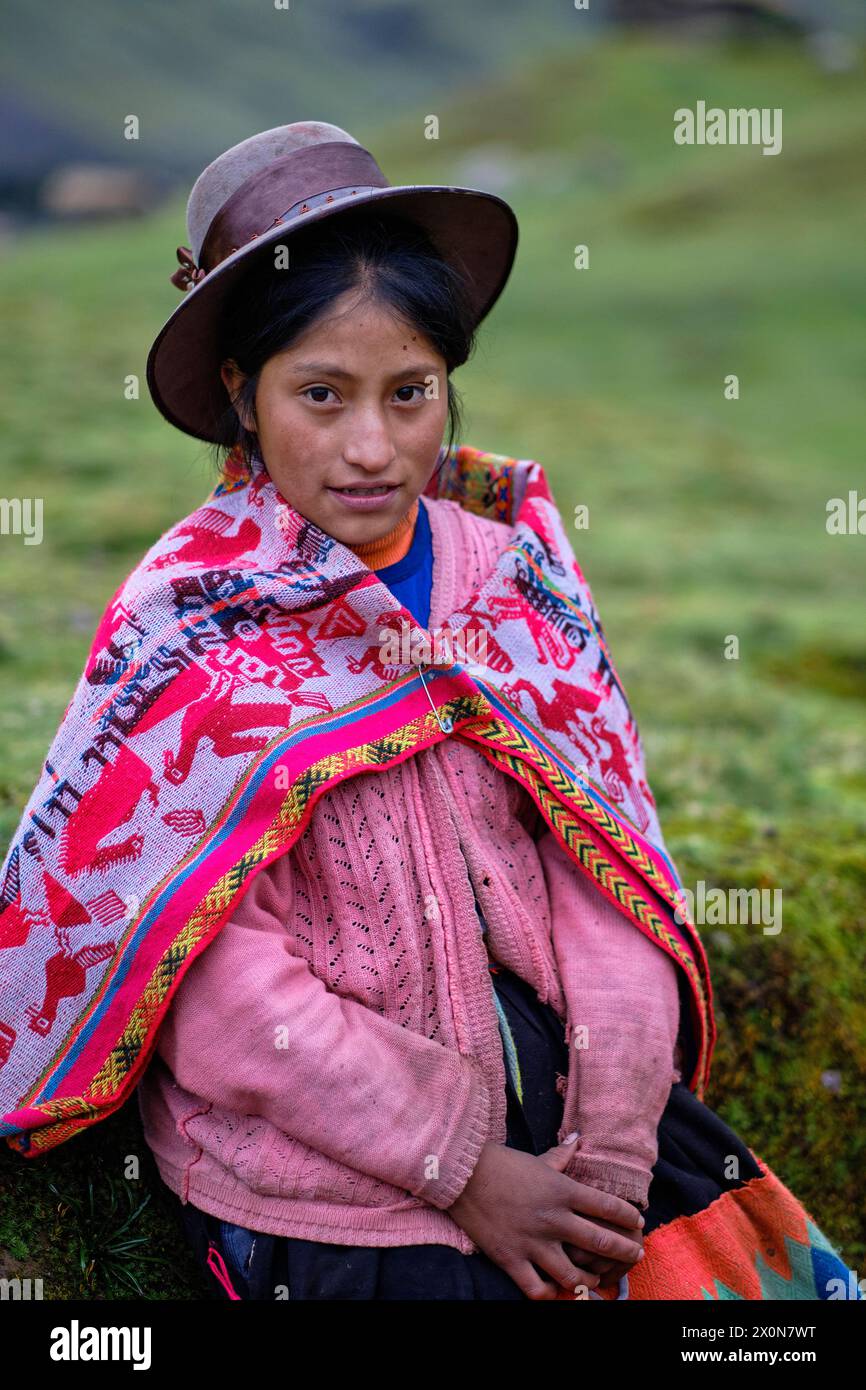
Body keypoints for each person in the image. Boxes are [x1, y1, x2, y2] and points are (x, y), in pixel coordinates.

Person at [0, 122, 857, 1303]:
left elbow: (602, 868)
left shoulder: (514, 578)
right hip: (321, 1169)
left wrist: (606, 1151)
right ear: (243, 396)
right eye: (320, 394)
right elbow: (212, 991)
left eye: (410, 394)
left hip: (570, 1115)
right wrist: (464, 1167)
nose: (372, 447)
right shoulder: (186, 623)